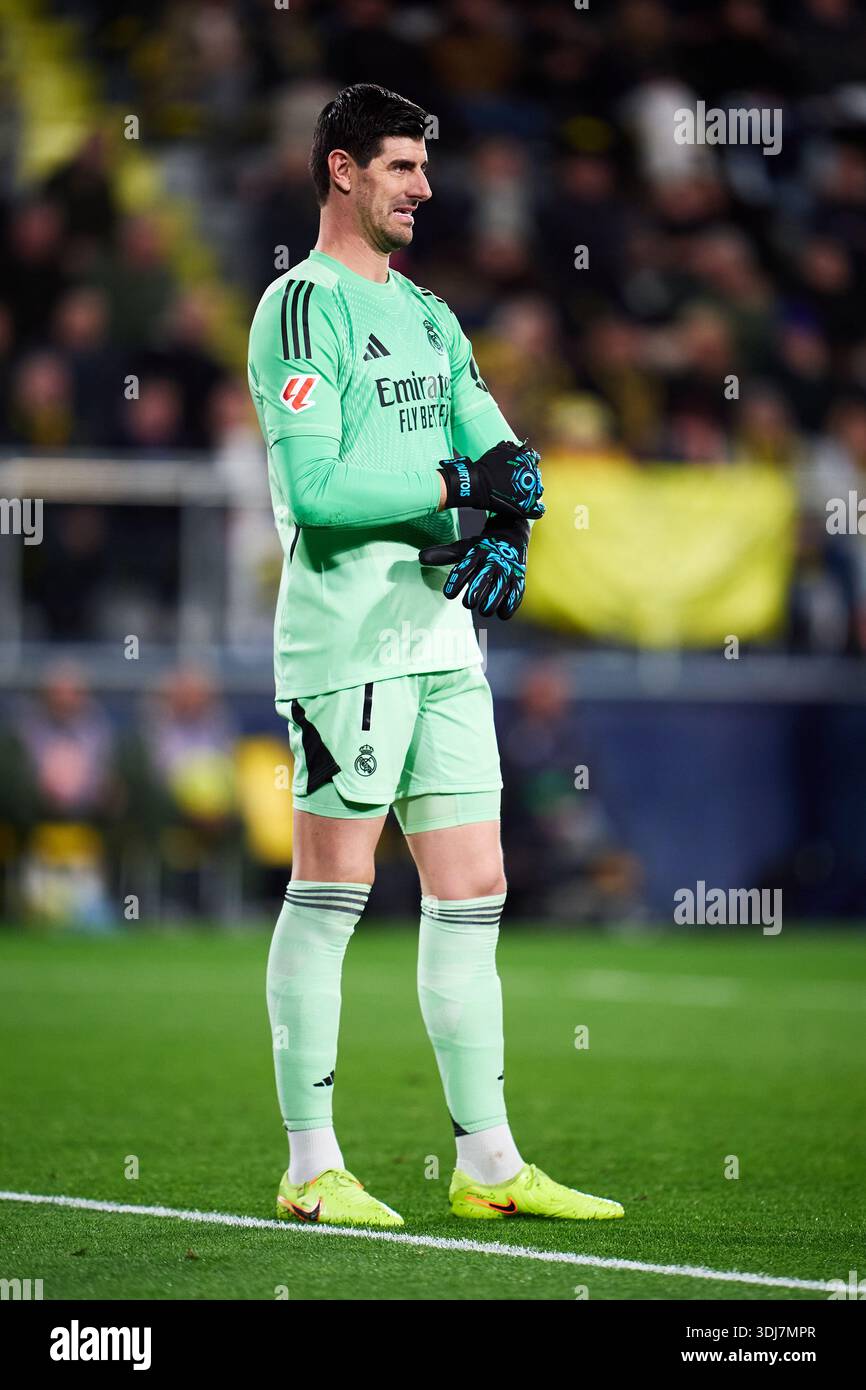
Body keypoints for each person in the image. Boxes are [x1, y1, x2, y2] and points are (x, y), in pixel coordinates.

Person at [247, 83, 623, 1227]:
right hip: (346, 642)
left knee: (474, 891)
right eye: (401, 167)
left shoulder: (428, 317)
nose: (423, 187)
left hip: (439, 640)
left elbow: (507, 459)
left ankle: (489, 1165)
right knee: (331, 891)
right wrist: (462, 491)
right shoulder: (299, 309)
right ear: (341, 171)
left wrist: (505, 526)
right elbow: (316, 490)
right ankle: (311, 1167)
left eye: (424, 167)